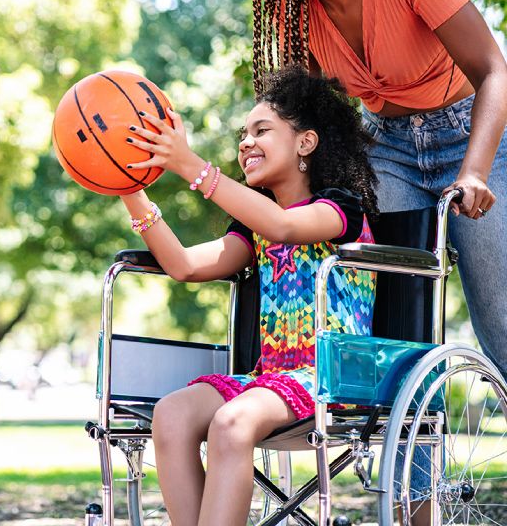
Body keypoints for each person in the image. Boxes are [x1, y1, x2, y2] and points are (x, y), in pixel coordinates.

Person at [246, 0, 507, 385]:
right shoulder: (295, 11)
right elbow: (309, 119)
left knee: (499, 311)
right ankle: (411, 465)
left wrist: (475, 171)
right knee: (392, 314)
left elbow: (493, 70)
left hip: (472, 135)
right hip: (386, 149)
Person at [121, 68, 377, 526]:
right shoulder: (252, 228)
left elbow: (285, 227)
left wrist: (191, 167)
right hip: (270, 382)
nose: (246, 142)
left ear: (306, 143)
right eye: (243, 134)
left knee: (231, 422)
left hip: (332, 378)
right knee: (173, 413)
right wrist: (129, 190)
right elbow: (184, 265)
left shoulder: (340, 208)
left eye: (262, 130)